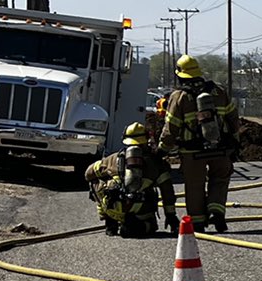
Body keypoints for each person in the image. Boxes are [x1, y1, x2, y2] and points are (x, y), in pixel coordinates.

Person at [161, 55, 241, 233]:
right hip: (220, 148)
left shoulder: (179, 96)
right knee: (220, 179)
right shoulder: (219, 92)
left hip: (192, 152)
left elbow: (171, 127)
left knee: (194, 185)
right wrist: (235, 143)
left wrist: (162, 149)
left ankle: (197, 223)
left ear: (180, 75)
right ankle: (216, 212)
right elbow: (233, 119)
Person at [85, 124, 177, 238]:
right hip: (141, 213)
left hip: (114, 211)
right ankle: (141, 226)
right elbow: (167, 192)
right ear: (146, 141)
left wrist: (109, 177)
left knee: (95, 182)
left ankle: (109, 221)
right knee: (150, 225)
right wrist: (171, 217)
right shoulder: (155, 163)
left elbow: (88, 174)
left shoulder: (111, 159)